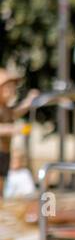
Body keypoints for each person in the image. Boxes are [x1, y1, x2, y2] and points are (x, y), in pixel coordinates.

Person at [0, 66, 37, 196]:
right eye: (8, 87)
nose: (12, 90)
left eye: (13, 87)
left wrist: (29, 101)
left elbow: (16, 113)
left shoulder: (6, 109)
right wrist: (14, 129)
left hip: (4, 152)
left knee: (2, 184)